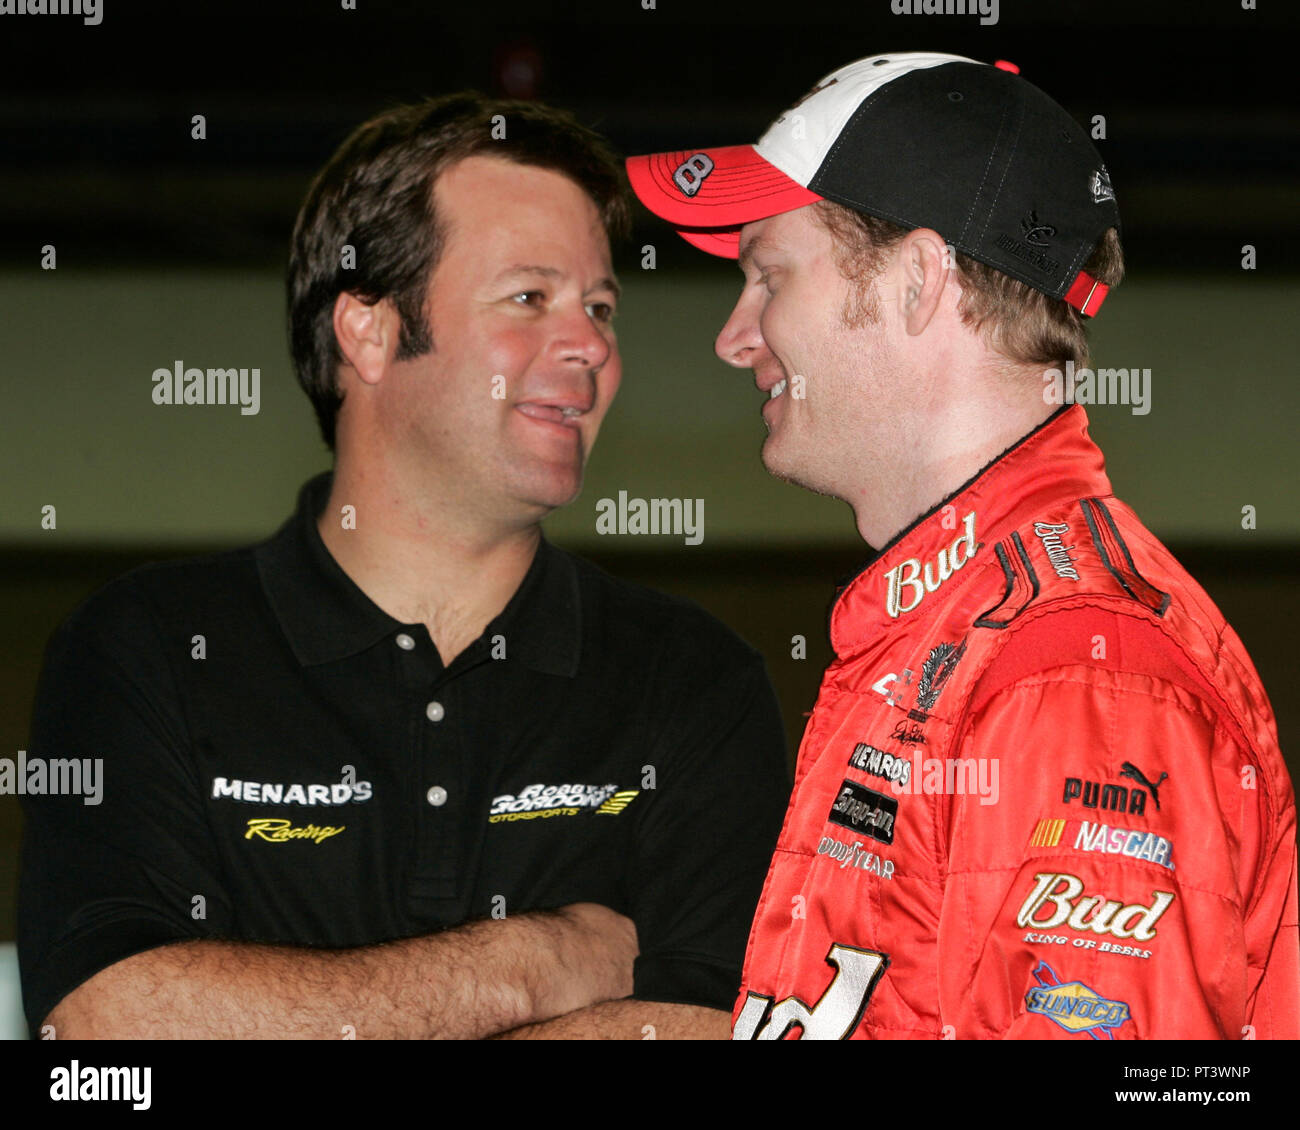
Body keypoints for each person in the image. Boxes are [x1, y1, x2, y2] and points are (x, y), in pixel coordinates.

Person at [18, 93, 789, 1039]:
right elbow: (107, 1028)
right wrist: (530, 963)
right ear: (368, 331)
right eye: (529, 297)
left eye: (598, 307)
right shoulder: (147, 650)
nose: (592, 344)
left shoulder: (693, 679)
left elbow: (710, 1030)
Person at [626, 51, 1299, 1039]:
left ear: (917, 280)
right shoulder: (955, 619)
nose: (735, 336)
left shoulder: (1073, 673)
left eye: (767, 276)